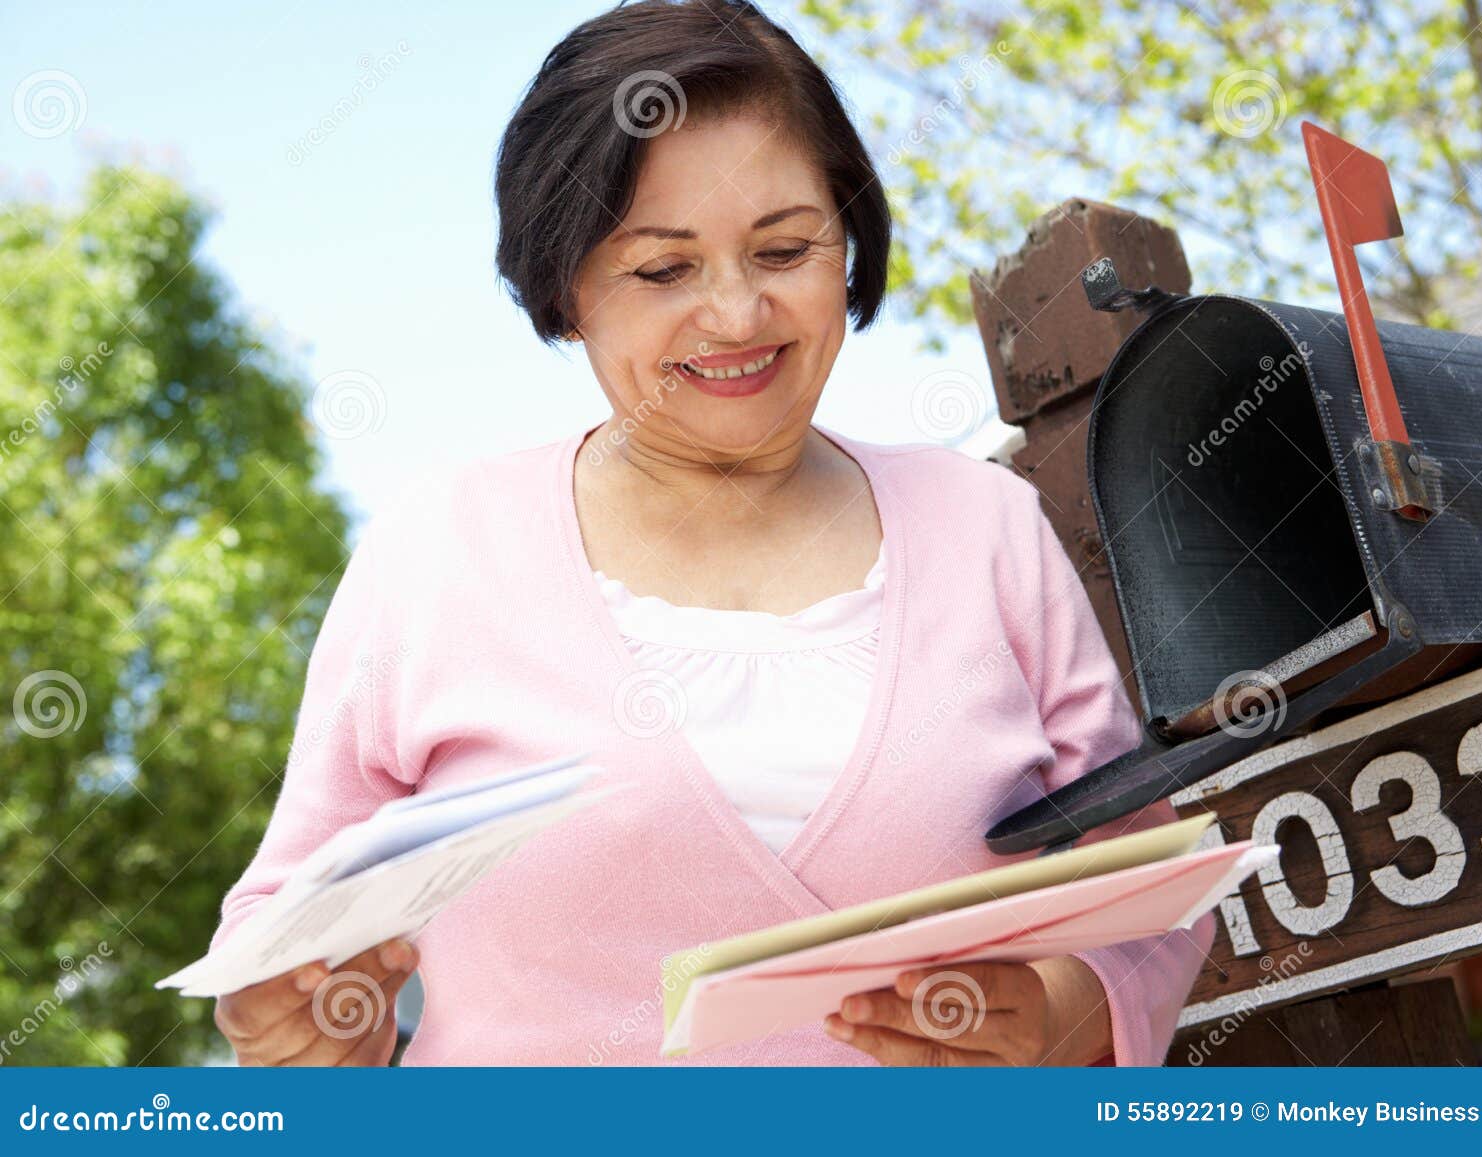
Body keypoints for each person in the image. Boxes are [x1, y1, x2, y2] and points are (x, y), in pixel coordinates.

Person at [209, 0, 1212, 1067]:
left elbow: (1142, 887)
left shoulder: (984, 527)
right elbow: (284, 928)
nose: (737, 315)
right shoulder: (439, 549)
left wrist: (1059, 1006)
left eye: (783, 249)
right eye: (662, 269)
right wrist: (299, 1021)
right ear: (564, 284)